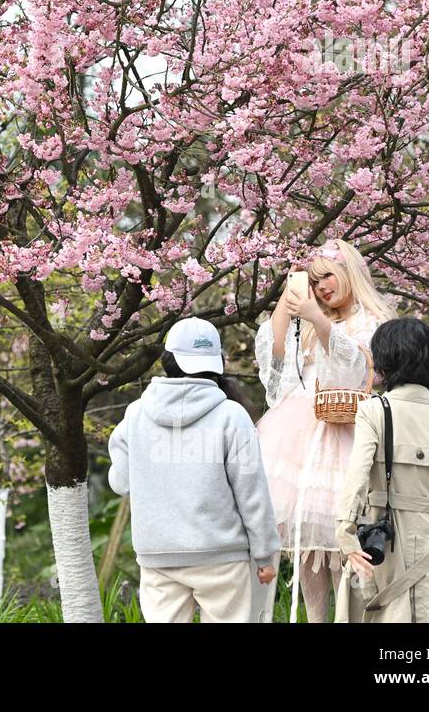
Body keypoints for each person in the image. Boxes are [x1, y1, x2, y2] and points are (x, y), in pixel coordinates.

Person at [254, 238, 395, 622]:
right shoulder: (316, 322)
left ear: (348, 272)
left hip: (344, 433)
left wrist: (316, 316)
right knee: (305, 546)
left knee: (340, 543)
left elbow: (354, 370)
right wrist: (289, 297)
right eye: (315, 283)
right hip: (298, 433)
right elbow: (278, 355)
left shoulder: (370, 320)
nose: (322, 288)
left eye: (327, 277)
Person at [108, 317, 279, 623]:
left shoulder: (135, 414)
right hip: (221, 554)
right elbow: (252, 492)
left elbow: (120, 482)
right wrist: (264, 553)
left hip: (158, 553)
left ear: (167, 360)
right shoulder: (231, 415)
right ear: (216, 363)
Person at [335, 318, 429, 623]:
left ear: (384, 360)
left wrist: (346, 534)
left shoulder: (374, 410)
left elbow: (357, 477)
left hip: (378, 540)